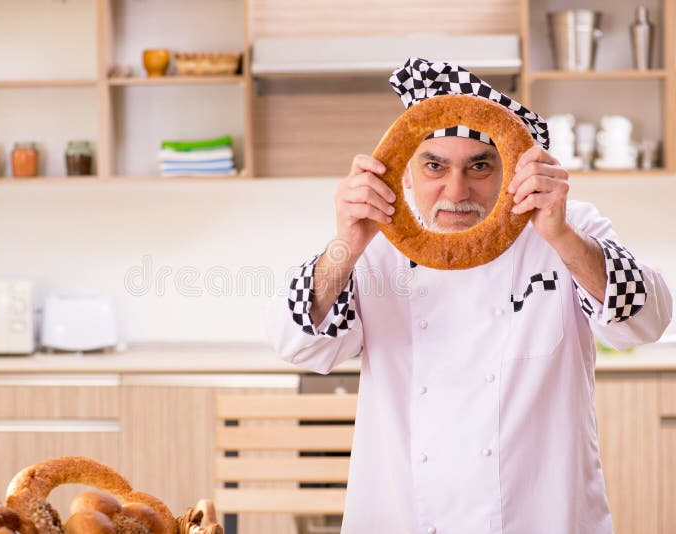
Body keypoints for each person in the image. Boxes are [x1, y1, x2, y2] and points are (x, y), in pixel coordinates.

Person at [266, 58, 673, 533]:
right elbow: (297, 344)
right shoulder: (376, 247)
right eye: (434, 165)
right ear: (405, 173)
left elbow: (646, 322)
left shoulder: (567, 226)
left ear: (509, 169)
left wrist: (562, 237)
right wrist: (346, 245)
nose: (456, 191)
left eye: (479, 166)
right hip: (408, 519)